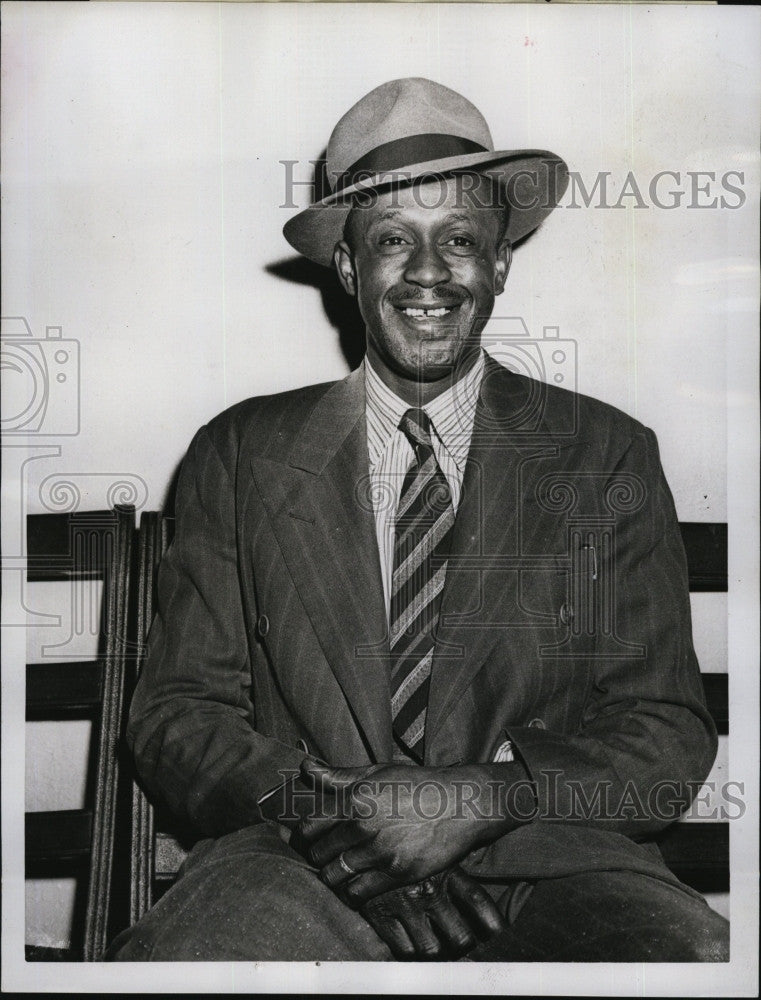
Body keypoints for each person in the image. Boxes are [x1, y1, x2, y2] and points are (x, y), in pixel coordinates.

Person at [108, 78, 729, 962]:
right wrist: (348, 831)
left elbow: (661, 733)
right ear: (349, 268)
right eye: (394, 239)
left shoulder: (602, 455)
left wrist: (478, 798)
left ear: (501, 262)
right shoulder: (241, 453)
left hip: (554, 859)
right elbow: (178, 716)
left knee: (681, 957)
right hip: (295, 859)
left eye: (460, 239)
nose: (429, 271)